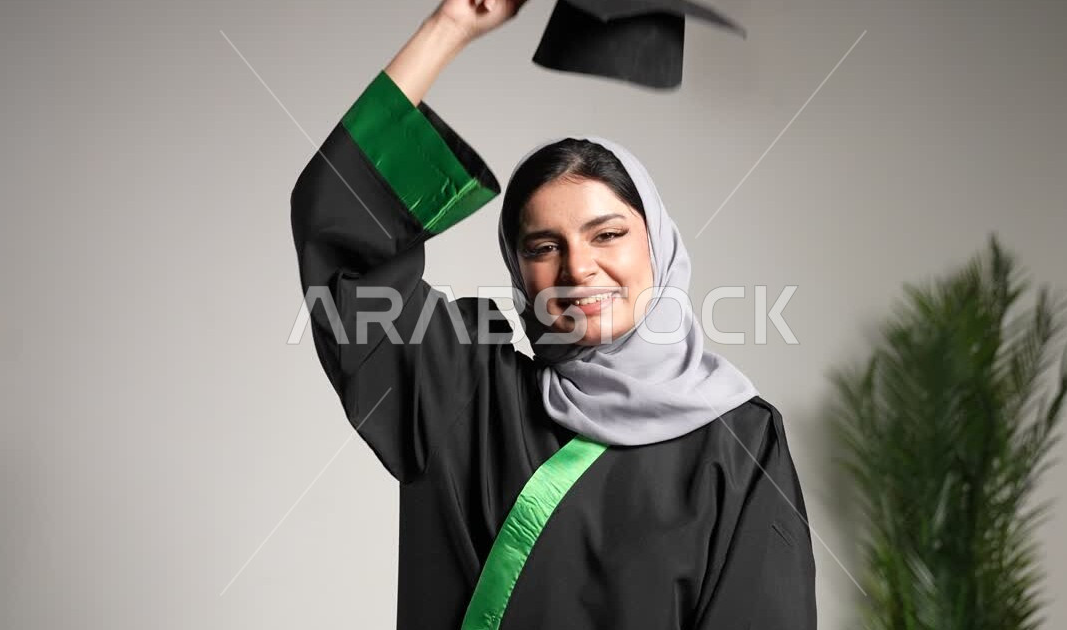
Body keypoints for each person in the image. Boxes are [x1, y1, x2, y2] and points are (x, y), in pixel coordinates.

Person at [290, 0, 817, 628]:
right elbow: (344, 250)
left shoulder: (741, 441)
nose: (578, 269)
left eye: (608, 234)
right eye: (544, 247)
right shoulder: (468, 394)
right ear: (518, 270)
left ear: (659, 244)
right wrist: (450, 26)